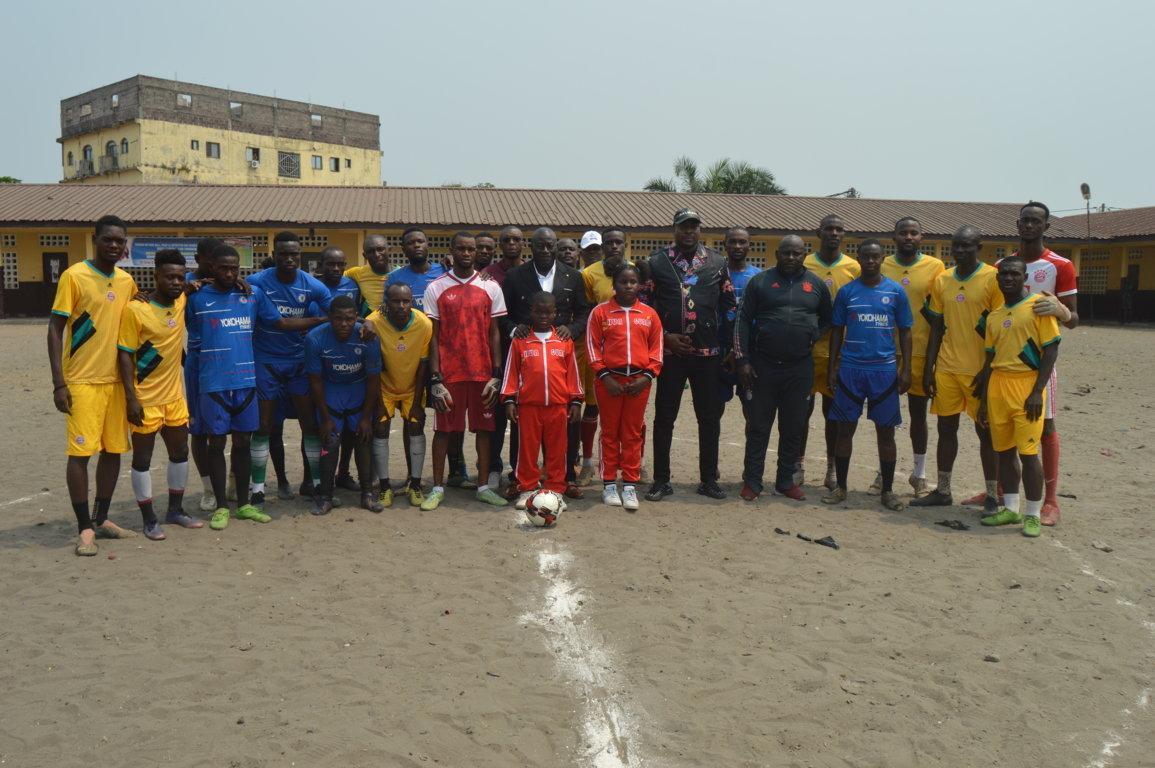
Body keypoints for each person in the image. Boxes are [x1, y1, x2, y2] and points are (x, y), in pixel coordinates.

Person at [48, 214, 139, 555]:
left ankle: (102, 520)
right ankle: (84, 527)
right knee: (81, 453)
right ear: (95, 239)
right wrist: (59, 383)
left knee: (114, 450)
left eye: (120, 241)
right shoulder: (75, 276)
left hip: (116, 382)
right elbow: (55, 329)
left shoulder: (127, 281)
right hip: (82, 381)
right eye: (108, 240)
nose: (115, 245)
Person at [646, 208, 735, 501]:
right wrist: (665, 338)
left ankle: (708, 480)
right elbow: (645, 309)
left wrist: (729, 348)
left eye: (693, 227)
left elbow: (729, 306)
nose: (688, 232)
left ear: (700, 230)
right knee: (665, 417)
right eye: (683, 227)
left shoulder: (717, 262)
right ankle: (661, 480)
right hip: (671, 354)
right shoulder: (657, 262)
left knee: (709, 418)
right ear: (674, 229)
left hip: (707, 354)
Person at [911, 225, 1002, 514]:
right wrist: (929, 369)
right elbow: (936, 327)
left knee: (985, 432)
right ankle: (944, 490)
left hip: (979, 371)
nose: (961, 251)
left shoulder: (993, 278)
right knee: (945, 429)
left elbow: (999, 329)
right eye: (956, 246)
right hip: (947, 369)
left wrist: (988, 370)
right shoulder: (943, 280)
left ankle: (992, 493)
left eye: (967, 245)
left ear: (979, 247)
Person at [735, 235, 832, 501]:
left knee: (793, 426)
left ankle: (785, 481)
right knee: (758, 426)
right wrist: (742, 360)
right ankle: (753, 482)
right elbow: (742, 321)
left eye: (796, 253)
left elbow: (828, 319)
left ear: (804, 255)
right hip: (763, 366)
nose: (791, 258)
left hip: (799, 369)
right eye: (786, 253)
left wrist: (813, 333)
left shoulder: (816, 285)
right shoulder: (761, 282)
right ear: (777, 254)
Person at [420, 232, 508, 510]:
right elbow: (432, 336)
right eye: (462, 248)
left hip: (482, 373)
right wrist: (435, 377)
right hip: (450, 373)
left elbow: (495, 332)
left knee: (484, 430)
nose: (467, 253)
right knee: (444, 431)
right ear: (452, 250)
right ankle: (436, 487)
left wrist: (496, 372)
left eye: (471, 249)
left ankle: (483, 486)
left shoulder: (491, 287)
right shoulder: (436, 287)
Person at [823, 239, 912, 511]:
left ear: (883, 257)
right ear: (858, 258)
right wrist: (832, 367)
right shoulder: (847, 292)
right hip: (851, 369)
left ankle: (887, 491)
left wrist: (906, 368)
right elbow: (837, 331)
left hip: (883, 371)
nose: (871, 261)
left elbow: (906, 331)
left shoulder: (896, 292)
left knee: (886, 434)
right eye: (866, 257)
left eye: (875, 257)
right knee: (844, 431)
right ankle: (841, 487)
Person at [184, 245, 270, 529]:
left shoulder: (251, 294)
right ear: (211, 268)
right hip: (213, 383)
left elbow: (275, 322)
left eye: (235, 268)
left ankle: (243, 504)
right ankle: (220, 505)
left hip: (245, 382)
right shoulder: (194, 296)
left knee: (243, 442)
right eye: (224, 268)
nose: (230, 273)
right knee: (216, 442)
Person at [117, 249, 200, 540]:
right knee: (143, 458)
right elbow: (125, 355)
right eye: (170, 277)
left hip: (174, 397)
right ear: (156, 276)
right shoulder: (135, 310)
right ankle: (149, 518)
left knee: (180, 452)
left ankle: (175, 510)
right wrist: (131, 397)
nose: (176, 282)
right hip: (145, 399)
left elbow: (210, 277)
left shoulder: (182, 300)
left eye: (180, 276)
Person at [975, 255, 1061, 538]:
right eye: (1004, 275)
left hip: (1026, 387)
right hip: (998, 386)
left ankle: (1033, 514)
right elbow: (989, 360)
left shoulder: (1038, 308)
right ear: (997, 279)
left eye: (1014, 274)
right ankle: (1011, 507)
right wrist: (985, 401)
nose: (1008, 278)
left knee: (1028, 453)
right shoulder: (995, 315)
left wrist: (1037, 391)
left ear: (1025, 278)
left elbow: (1050, 350)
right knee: (1004, 451)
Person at [501, 227, 590, 499]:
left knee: (564, 433)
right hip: (527, 349)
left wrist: (572, 330)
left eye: (550, 245)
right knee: (523, 434)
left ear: (555, 246)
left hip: (559, 350)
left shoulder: (573, 276)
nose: (545, 250)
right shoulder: (515, 276)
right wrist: (514, 329)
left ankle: (564, 479)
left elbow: (585, 311)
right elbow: (502, 314)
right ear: (532, 247)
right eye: (540, 245)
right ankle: (521, 480)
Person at [247, 232, 333, 506]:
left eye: (294, 254)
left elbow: (341, 312)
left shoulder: (312, 285)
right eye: (283, 253)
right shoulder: (256, 282)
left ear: (300, 255)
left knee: (309, 424)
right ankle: (257, 487)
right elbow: (279, 324)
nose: (289, 259)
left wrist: (364, 324)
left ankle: (317, 483)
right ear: (274, 253)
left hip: (298, 363)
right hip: (266, 362)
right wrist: (319, 319)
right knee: (263, 426)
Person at [1006, 201, 1078, 526]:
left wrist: (1062, 311)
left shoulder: (1060, 266)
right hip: (1006, 361)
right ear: (1018, 225)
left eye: (1037, 221)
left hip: (1040, 362)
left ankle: (1050, 501)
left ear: (1046, 227)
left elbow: (1075, 318)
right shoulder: (1004, 265)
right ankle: (1000, 490)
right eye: (1025, 221)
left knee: (1045, 425)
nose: (1030, 226)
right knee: (1001, 426)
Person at [877, 217, 945, 497]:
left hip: (919, 352)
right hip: (885, 352)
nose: (908, 237)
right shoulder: (882, 265)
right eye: (903, 233)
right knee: (885, 417)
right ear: (893, 237)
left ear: (922, 237)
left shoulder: (935, 267)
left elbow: (939, 314)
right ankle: (884, 473)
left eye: (913, 233)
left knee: (918, 415)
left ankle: (919, 473)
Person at [586, 265, 663, 510]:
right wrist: (605, 376)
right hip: (609, 381)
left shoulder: (649, 314)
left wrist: (647, 377)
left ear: (640, 285)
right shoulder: (600, 313)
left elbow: (657, 350)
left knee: (632, 432)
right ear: (614, 284)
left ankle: (629, 484)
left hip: (639, 382)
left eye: (633, 282)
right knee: (610, 432)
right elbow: (592, 347)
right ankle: (609, 483)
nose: (628, 286)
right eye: (623, 282)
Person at [502, 292, 584, 509]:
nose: (544, 316)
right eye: (539, 311)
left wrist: (575, 400)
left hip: (558, 406)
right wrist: (509, 399)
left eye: (549, 312)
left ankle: (556, 490)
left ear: (555, 313)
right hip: (528, 406)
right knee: (527, 450)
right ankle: (527, 488)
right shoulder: (521, 341)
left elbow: (572, 373)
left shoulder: (563, 341)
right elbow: (511, 372)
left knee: (558, 451)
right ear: (532, 312)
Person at [305, 296, 383, 515]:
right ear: (330, 318)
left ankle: (367, 494)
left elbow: (373, 379)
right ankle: (326, 497)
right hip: (331, 390)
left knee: (364, 437)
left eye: (349, 319)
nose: (344, 324)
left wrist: (367, 417)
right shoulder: (314, 339)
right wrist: (325, 418)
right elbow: (315, 380)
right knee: (329, 441)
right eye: (338, 319)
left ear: (356, 318)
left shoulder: (368, 337)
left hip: (358, 390)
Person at [801, 214, 861, 490]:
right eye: (829, 229)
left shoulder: (854, 267)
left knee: (833, 413)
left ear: (843, 235)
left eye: (839, 229)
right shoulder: (805, 263)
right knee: (801, 409)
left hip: (840, 351)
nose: (834, 233)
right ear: (819, 232)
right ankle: (797, 464)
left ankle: (831, 467)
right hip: (806, 350)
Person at [366, 282, 432, 507]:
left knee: (415, 425)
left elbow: (424, 365)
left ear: (412, 302)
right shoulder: (374, 321)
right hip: (384, 387)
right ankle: (384, 487)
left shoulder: (423, 323)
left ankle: (414, 484)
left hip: (412, 387)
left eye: (406, 301)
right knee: (381, 427)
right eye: (396, 301)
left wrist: (417, 402)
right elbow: (371, 365)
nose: (401, 305)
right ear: (386, 302)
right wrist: (377, 402)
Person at [576, 229, 629, 485]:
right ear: (603, 247)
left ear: (625, 245)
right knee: (593, 406)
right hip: (596, 353)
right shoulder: (588, 274)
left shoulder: (633, 272)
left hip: (629, 354)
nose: (614, 247)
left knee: (631, 413)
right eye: (610, 243)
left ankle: (632, 463)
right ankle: (587, 463)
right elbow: (584, 311)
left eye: (619, 242)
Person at [316, 246, 362, 491]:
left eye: (340, 264)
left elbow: (359, 316)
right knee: (321, 428)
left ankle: (343, 473)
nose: (335, 268)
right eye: (330, 264)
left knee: (350, 433)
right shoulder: (314, 289)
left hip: (350, 361)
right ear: (320, 265)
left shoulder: (353, 286)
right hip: (320, 358)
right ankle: (314, 480)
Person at [187, 237, 225, 511]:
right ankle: (208, 487)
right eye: (211, 263)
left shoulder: (231, 284)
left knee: (233, 428)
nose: (216, 269)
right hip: (199, 365)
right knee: (199, 430)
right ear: (199, 259)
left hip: (229, 363)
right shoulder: (185, 285)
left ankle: (232, 482)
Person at [719, 227, 762, 413]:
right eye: (732, 241)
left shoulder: (759, 277)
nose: (737, 246)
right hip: (720, 348)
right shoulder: (714, 274)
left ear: (749, 246)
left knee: (752, 412)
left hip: (750, 350)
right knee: (713, 411)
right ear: (724, 245)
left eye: (742, 242)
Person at [345, 234, 391, 317]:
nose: (377, 255)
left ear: (389, 249)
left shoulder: (399, 274)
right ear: (365, 256)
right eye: (371, 251)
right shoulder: (357, 273)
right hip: (368, 322)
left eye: (380, 249)